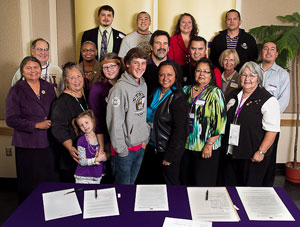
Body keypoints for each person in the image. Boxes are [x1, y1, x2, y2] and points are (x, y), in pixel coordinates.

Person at [6, 56, 58, 202]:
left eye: (35, 67)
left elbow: (55, 111)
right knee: (30, 182)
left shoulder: (48, 87)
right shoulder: (16, 90)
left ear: (40, 70)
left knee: (49, 178)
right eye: (28, 68)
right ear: (22, 71)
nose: (32, 71)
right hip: (27, 144)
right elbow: (11, 119)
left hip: (48, 142)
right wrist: (35, 125)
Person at [223, 61, 280, 186]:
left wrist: (261, 152)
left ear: (258, 79)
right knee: (230, 189)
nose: (247, 79)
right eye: (244, 75)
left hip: (251, 156)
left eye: (252, 76)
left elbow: (272, 130)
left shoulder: (268, 100)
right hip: (231, 153)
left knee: (247, 192)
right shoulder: (233, 94)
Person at [106, 48, 150, 184]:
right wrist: (121, 150)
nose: (140, 67)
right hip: (125, 151)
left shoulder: (143, 84)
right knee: (122, 191)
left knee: (131, 187)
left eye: (143, 63)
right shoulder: (119, 89)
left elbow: (142, 114)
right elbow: (114, 122)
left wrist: (145, 137)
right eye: (136, 63)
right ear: (127, 64)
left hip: (140, 146)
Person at [140, 61, 189, 185]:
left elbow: (180, 131)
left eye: (169, 75)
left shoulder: (178, 98)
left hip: (167, 150)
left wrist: (170, 156)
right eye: (162, 75)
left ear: (176, 76)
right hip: (151, 147)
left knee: (170, 186)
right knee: (152, 185)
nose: (165, 78)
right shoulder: (155, 91)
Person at [181, 58, 226, 186]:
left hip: (205, 147)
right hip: (186, 145)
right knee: (186, 182)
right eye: (199, 70)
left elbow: (220, 122)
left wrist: (209, 144)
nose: (202, 74)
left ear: (211, 75)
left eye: (206, 72)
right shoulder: (185, 90)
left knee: (202, 183)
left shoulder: (215, 93)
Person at [88, 53, 124, 182]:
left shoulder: (125, 84)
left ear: (119, 66)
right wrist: (102, 147)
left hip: (125, 138)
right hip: (106, 137)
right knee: (111, 173)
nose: (109, 70)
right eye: (105, 67)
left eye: (113, 66)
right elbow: (96, 118)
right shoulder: (97, 88)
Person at [51, 62, 88, 182]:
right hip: (73, 154)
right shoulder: (61, 102)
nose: (76, 80)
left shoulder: (86, 95)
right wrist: (70, 147)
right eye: (72, 78)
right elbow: (58, 128)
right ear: (66, 81)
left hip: (89, 151)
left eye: (78, 76)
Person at [259, 41, 290, 186]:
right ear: (261, 52)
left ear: (276, 54)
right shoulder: (253, 69)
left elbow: (283, 101)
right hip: (252, 124)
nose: (269, 52)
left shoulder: (282, 74)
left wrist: (269, 118)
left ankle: (266, 188)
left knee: (269, 158)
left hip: (271, 125)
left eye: (272, 49)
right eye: (266, 49)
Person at [143, 30, 183, 96]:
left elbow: (179, 93)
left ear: (168, 47)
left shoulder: (176, 67)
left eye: (165, 43)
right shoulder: (142, 66)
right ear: (151, 47)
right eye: (158, 43)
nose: (162, 47)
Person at [72, 110, 107, 184]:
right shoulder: (81, 141)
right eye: (81, 125)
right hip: (83, 177)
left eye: (86, 122)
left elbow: (106, 155)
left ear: (92, 121)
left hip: (97, 174)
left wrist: (104, 157)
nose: (85, 126)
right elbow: (82, 161)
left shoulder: (100, 138)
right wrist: (96, 160)